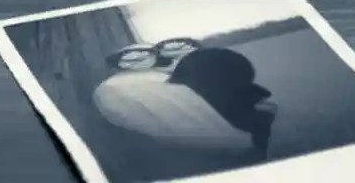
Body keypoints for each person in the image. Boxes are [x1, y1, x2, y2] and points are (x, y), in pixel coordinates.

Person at [93, 37, 277, 167]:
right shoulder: (118, 88)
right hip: (213, 151)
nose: (137, 59)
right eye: (131, 56)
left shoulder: (174, 75)